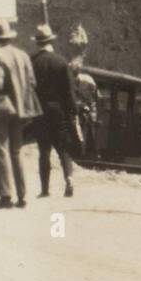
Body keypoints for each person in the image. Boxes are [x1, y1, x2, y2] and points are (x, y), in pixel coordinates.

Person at [0, 20, 38, 209]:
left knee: (1, 150)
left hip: (2, 108)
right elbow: (32, 82)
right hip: (21, 109)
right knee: (17, 151)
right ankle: (23, 196)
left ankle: (5, 195)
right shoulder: (22, 55)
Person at [30, 23, 78, 197]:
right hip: (59, 112)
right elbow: (69, 92)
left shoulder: (32, 62)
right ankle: (69, 179)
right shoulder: (61, 62)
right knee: (63, 148)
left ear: (37, 42)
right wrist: (72, 112)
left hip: (40, 111)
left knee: (44, 151)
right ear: (51, 41)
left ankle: (44, 190)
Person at [67, 23, 100, 157]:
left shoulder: (87, 81)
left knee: (86, 132)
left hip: (85, 109)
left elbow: (94, 99)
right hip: (78, 108)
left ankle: (85, 153)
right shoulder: (85, 79)